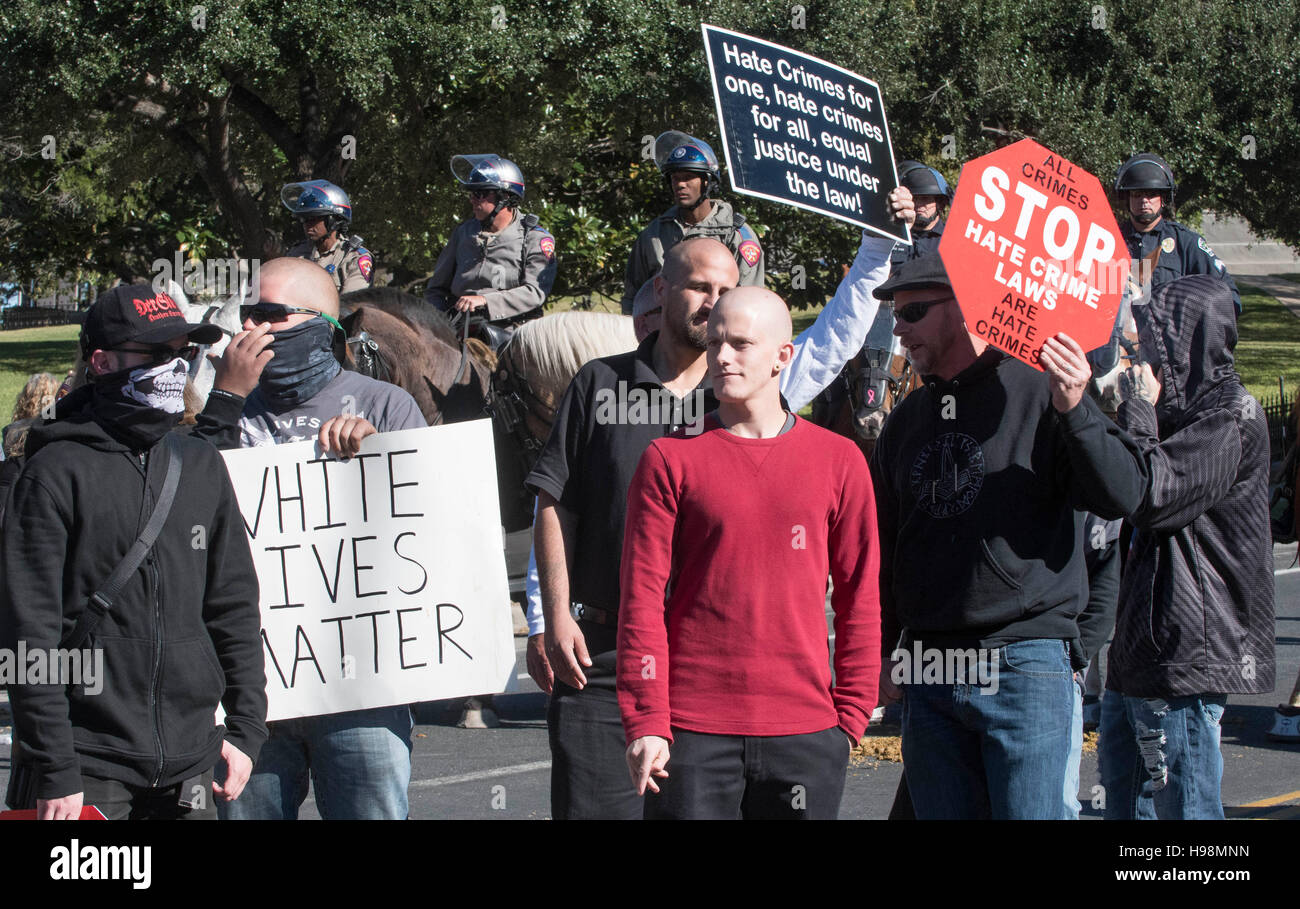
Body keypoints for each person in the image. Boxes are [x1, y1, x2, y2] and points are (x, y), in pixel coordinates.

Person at [529, 187, 914, 820]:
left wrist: (847, 714)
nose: (716, 315)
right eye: (701, 292)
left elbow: (859, 591)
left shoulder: (794, 419)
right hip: (611, 656)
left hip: (753, 700)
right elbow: (556, 503)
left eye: (728, 297)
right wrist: (551, 615)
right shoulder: (607, 389)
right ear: (660, 289)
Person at [869, 254, 1147, 820]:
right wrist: (885, 650)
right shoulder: (906, 421)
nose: (899, 328)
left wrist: (1075, 410)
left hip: (1025, 665)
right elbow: (888, 547)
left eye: (914, 311)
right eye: (896, 315)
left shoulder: (1044, 394)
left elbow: (1123, 497)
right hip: (929, 669)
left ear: (968, 309)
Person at [0, 285, 266, 820]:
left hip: (192, 762)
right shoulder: (54, 471)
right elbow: (29, 633)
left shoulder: (200, 463)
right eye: (157, 353)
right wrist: (55, 765)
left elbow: (233, 604)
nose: (175, 366)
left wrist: (247, 727)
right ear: (101, 362)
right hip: (86, 766)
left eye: (183, 353)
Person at [618, 287, 880, 819]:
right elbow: (641, 600)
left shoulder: (840, 460)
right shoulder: (670, 458)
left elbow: (862, 596)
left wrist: (851, 714)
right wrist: (647, 721)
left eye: (740, 344)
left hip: (807, 734)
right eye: (715, 342)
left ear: (783, 356)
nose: (721, 357)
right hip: (690, 734)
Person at [195, 256, 427, 820]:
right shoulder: (224, 413)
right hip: (251, 690)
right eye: (247, 313)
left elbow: (427, 532)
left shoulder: (384, 404)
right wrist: (221, 407)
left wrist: (379, 455)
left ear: (323, 327)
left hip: (361, 691)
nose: (249, 328)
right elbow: (187, 518)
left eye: (269, 314)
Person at [1101, 274, 1274, 819]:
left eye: (1155, 341)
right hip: (1143, 649)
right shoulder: (1185, 412)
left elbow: (1154, 495)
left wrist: (1138, 409)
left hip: (1187, 651)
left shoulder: (1229, 416)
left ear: (1189, 342)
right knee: (1127, 809)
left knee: (1187, 814)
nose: (1145, 353)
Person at [621, 131, 764, 314]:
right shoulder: (653, 235)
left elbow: (748, 301)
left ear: (707, 181)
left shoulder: (736, 235)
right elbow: (634, 299)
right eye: (675, 178)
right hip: (663, 337)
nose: (680, 184)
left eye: (688, 177)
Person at [423, 154, 557, 331]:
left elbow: (534, 292)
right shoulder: (463, 232)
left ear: (505, 197)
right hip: (458, 326)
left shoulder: (534, 237)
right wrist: (438, 323)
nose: (472, 199)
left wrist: (486, 300)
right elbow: (435, 290)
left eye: (480, 194)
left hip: (511, 330)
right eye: (472, 194)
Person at [1114, 153, 1241, 315]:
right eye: (1137, 194)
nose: (1144, 200)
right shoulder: (1111, 239)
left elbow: (1228, 294)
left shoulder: (1185, 242)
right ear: (1127, 198)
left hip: (1170, 338)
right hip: (1120, 337)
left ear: (1163, 198)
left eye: (1151, 194)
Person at [282, 179, 375, 295]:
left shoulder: (353, 257)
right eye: (304, 219)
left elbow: (352, 304)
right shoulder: (297, 253)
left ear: (333, 221)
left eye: (314, 218)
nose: (307, 225)